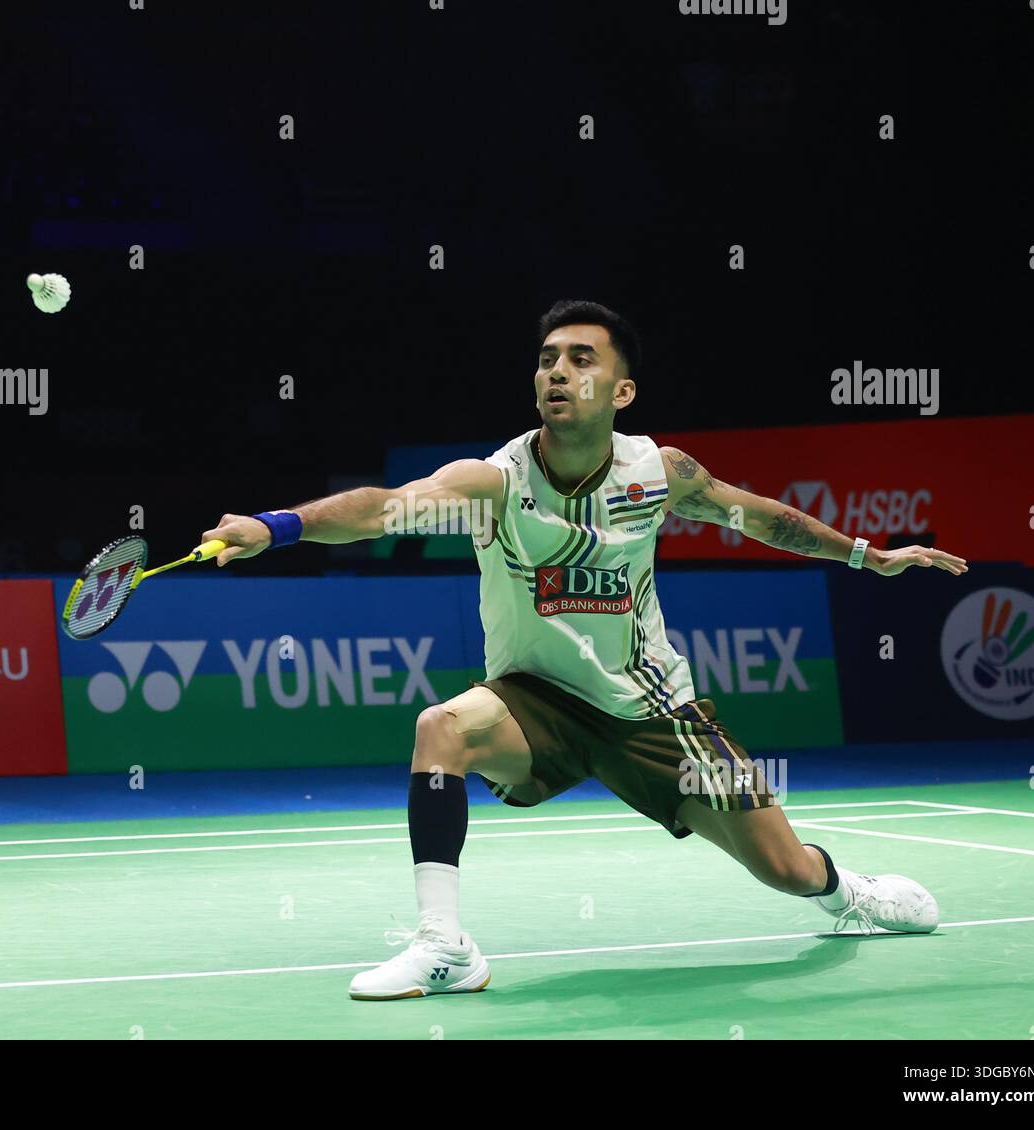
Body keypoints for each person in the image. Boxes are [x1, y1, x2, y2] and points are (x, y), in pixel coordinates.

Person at [201, 300, 968, 1001]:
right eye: (546, 360)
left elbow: (759, 516)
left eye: (580, 359)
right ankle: (444, 946)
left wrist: (867, 555)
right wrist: (275, 527)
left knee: (784, 869)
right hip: (537, 699)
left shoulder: (659, 474)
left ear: (622, 391)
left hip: (653, 709)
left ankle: (848, 893)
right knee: (442, 727)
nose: (557, 372)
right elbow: (381, 510)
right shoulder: (494, 483)